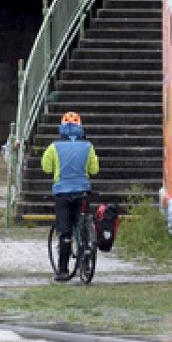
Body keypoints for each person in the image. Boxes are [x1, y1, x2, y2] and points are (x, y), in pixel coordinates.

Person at [41, 111, 100, 282]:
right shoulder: (88, 146)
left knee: (65, 232)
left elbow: (46, 167)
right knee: (80, 222)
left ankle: (62, 271)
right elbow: (94, 170)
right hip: (82, 191)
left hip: (62, 193)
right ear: (80, 127)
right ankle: (86, 256)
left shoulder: (54, 147)